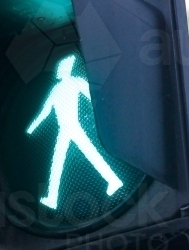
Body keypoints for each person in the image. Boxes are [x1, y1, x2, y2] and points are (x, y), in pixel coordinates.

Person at [27, 54, 123, 210]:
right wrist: (32, 128)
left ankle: (113, 181)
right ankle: (53, 197)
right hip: (64, 128)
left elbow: (93, 97)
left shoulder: (76, 82)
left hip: (72, 126)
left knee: (70, 158)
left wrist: (106, 112)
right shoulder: (56, 89)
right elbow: (45, 111)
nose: (62, 70)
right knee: (62, 160)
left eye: (64, 68)